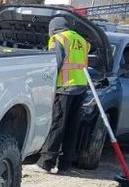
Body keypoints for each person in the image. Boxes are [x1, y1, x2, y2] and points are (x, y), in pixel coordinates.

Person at [37, 15, 90, 172]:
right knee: (72, 127)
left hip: (64, 87)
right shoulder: (81, 39)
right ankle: (65, 163)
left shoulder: (57, 38)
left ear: (53, 27)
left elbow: (56, 64)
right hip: (80, 86)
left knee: (57, 124)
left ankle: (46, 162)